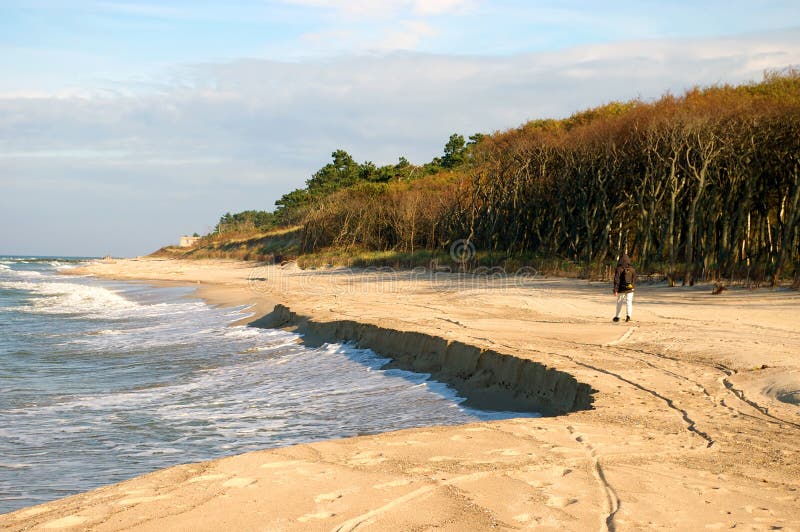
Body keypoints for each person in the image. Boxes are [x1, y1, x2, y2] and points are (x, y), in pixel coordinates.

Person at [613, 254, 636, 322]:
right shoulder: (632, 269)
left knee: (619, 302)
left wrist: (615, 290)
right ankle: (628, 316)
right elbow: (634, 279)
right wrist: (632, 286)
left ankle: (617, 316)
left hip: (621, 289)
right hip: (630, 288)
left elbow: (616, 280)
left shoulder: (619, 269)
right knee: (629, 302)